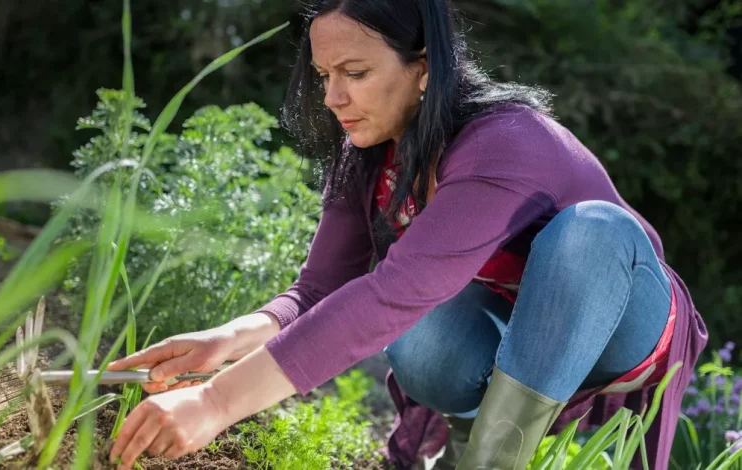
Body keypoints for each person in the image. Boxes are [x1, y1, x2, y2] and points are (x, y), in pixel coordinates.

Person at [106, 1, 709, 469]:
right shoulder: (367, 148)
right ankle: (473, 436)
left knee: (588, 233)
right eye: (323, 75)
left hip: (623, 323)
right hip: (514, 323)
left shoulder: (503, 142)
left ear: (422, 68)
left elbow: (391, 291)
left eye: (355, 72)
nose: (333, 97)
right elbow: (319, 288)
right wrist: (222, 342)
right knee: (418, 329)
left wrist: (215, 404)